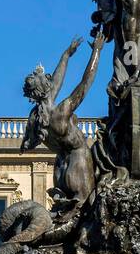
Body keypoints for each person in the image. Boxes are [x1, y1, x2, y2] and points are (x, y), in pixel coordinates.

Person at [20, 32, 105, 208]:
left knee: (62, 213)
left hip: (59, 169)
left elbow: (57, 80)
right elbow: (86, 82)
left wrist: (66, 55)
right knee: (86, 212)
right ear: (46, 87)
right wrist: (96, 51)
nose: (50, 78)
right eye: (47, 79)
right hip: (78, 163)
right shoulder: (62, 111)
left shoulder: (35, 119)